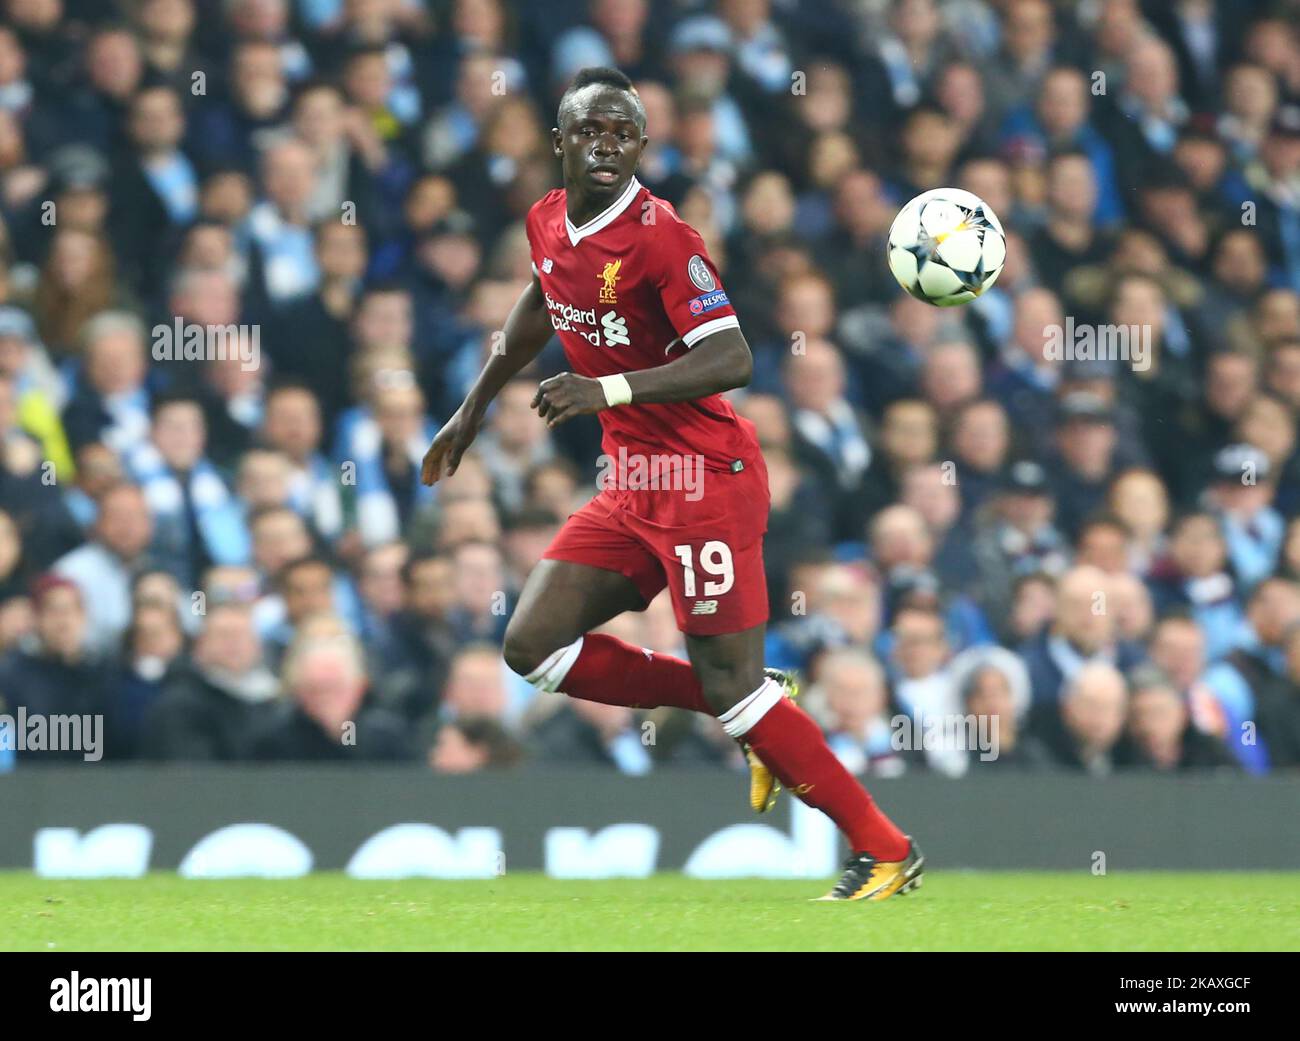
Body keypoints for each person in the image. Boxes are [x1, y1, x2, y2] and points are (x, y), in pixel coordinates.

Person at [419, 67, 920, 902]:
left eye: (622, 132)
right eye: (589, 130)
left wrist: (605, 390)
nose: (606, 144)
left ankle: (887, 845)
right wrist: (468, 414)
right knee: (530, 646)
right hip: (634, 485)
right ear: (560, 142)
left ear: (643, 146)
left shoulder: (664, 238)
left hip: (706, 483)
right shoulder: (547, 220)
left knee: (733, 689)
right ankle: (758, 706)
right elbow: (537, 309)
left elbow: (735, 357)